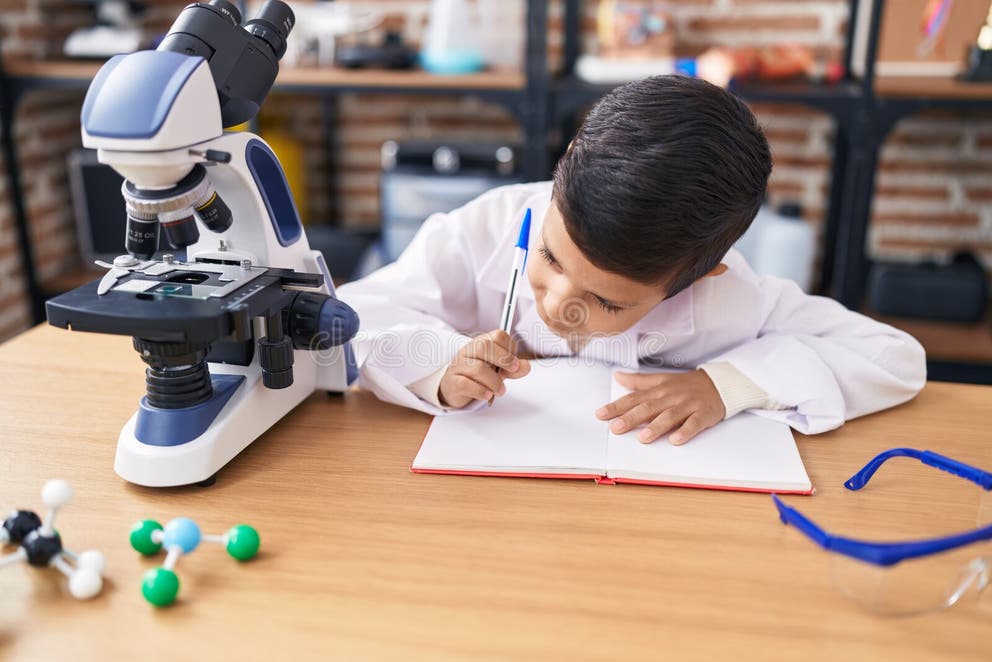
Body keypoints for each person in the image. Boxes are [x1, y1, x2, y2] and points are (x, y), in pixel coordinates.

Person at [337, 75, 926, 444]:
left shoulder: (730, 296)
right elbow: (354, 315)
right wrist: (439, 368)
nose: (559, 305)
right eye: (549, 256)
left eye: (607, 301)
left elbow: (894, 357)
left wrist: (728, 385)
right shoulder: (486, 225)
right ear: (565, 169)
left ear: (697, 280)